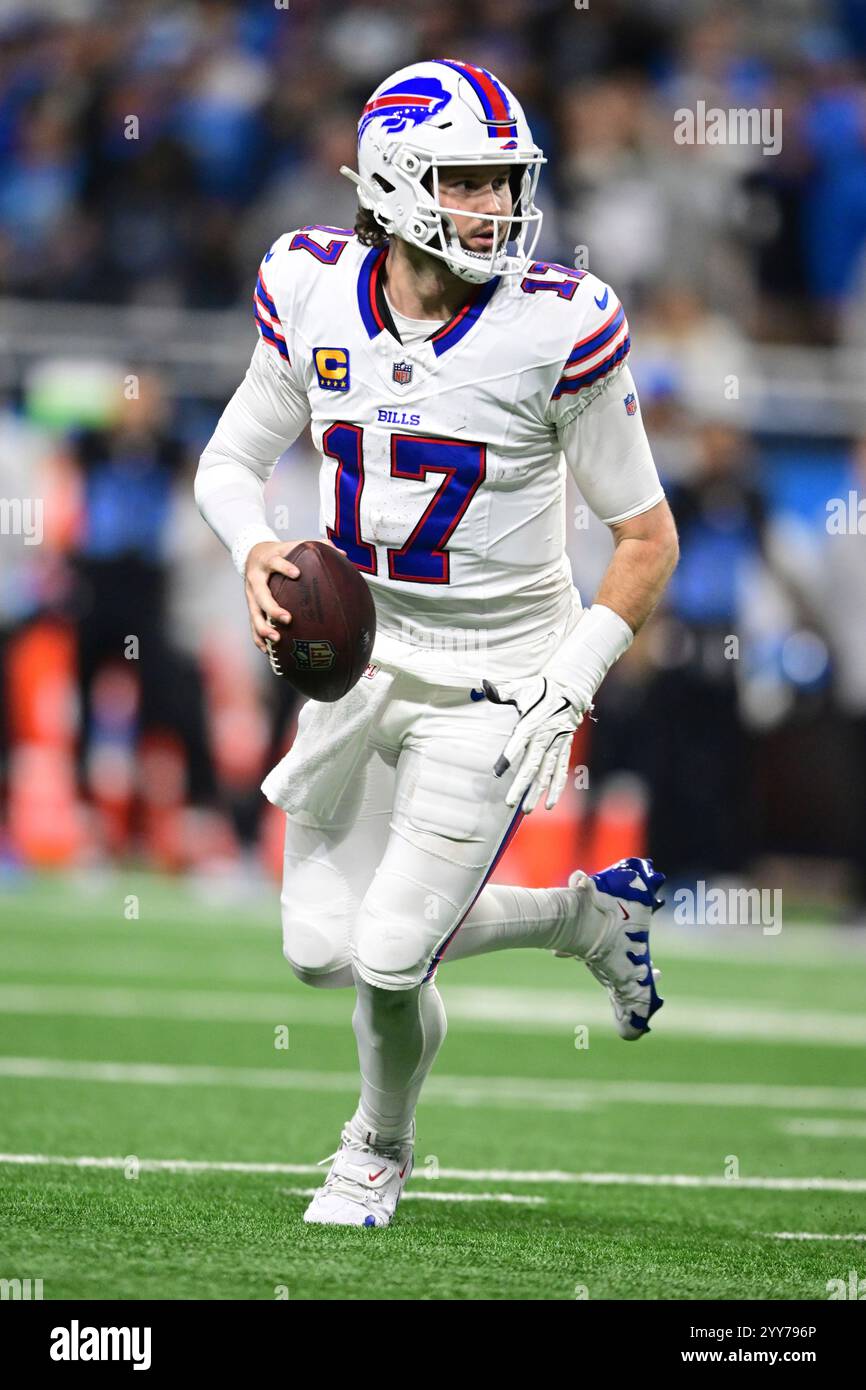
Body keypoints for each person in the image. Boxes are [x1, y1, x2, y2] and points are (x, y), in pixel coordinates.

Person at [195, 60, 679, 1228]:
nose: (497, 207)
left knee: (391, 955)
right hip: (359, 659)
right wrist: (254, 548)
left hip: (498, 676)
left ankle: (376, 1147)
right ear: (399, 183)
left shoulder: (556, 326)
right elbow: (227, 464)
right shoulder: (308, 286)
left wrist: (565, 683)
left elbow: (646, 538)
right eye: (467, 181)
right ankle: (581, 916)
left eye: (505, 181)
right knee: (320, 949)